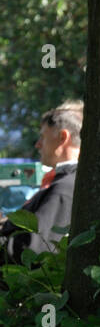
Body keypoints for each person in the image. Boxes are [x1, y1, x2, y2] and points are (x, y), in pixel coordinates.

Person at [1, 101, 81, 263]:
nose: (38, 144)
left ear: (63, 137)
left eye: (43, 137)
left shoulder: (65, 187)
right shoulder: (66, 181)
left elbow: (33, 251)